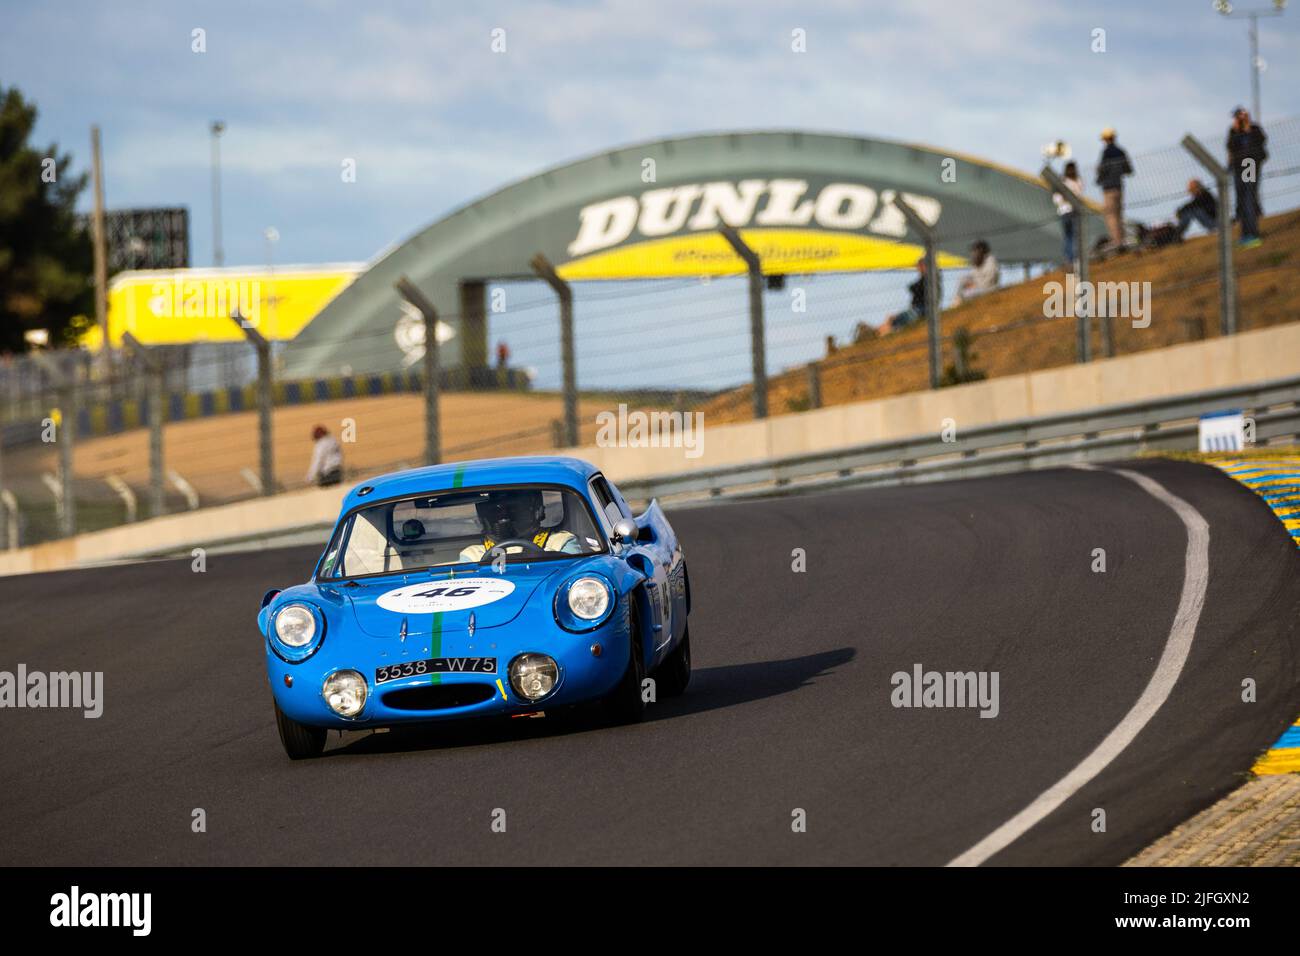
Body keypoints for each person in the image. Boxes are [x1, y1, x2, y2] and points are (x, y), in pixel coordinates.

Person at [458, 489, 582, 562]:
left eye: (513, 508)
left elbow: (573, 577)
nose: (504, 516)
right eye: (494, 510)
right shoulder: (473, 555)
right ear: (482, 516)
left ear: (537, 509)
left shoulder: (559, 543)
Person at [1227, 106, 1267, 247]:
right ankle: (1245, 234)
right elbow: (1230, 148)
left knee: (1248, 197)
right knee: (1241, 200)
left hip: (1249, 164)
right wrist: (1237, 130)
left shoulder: (1254, 129)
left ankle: (1252, 233)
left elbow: (1261, 141)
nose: (1239, 118)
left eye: (1240, 115)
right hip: (1238, 167)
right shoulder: (1233, 132)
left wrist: (1248, 127)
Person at [1095, 128, 1133, 251]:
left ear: (1106, 139)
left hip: (1109, 188)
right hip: (1119, 187)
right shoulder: (1121, 151)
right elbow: (1128, 169)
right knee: (1119, 214)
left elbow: (1102, 170)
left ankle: (1117, 242)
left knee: (1111, 215)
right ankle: (1122, 239)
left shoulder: (1106, 153)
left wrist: (1099, 177)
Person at [885, 257, 940, 331]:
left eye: (919, 266)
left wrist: (914, 288)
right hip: (918, 309)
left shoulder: (929, 278)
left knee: (894, 320)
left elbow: (914, 288)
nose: (918, 268)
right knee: (894, 320)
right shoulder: (929, 278)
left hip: (920, 309)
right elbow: (914, 288)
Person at [1053, 161, 1085, 266]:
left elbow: (1056, 198)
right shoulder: (1078, 181)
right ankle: (1074, 258)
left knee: (1068, 236)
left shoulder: (1063, 182)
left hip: (1065, 212)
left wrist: (1063, 202)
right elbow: (1080, 196)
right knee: (1073, 236)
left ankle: (1069, 258)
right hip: (1073, 211)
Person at [955, 240, 998, 304]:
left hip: (989, 289)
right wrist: (969, 283)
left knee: (966, 294)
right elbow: (972, 278)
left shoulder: (991, 261)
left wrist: (975, 285)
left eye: (974, 251)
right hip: (978, 288)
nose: (972, 254)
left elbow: (989, 281)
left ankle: (958, 306)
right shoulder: (977, 263)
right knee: (962, 280)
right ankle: (955, 303)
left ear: (980, 250)